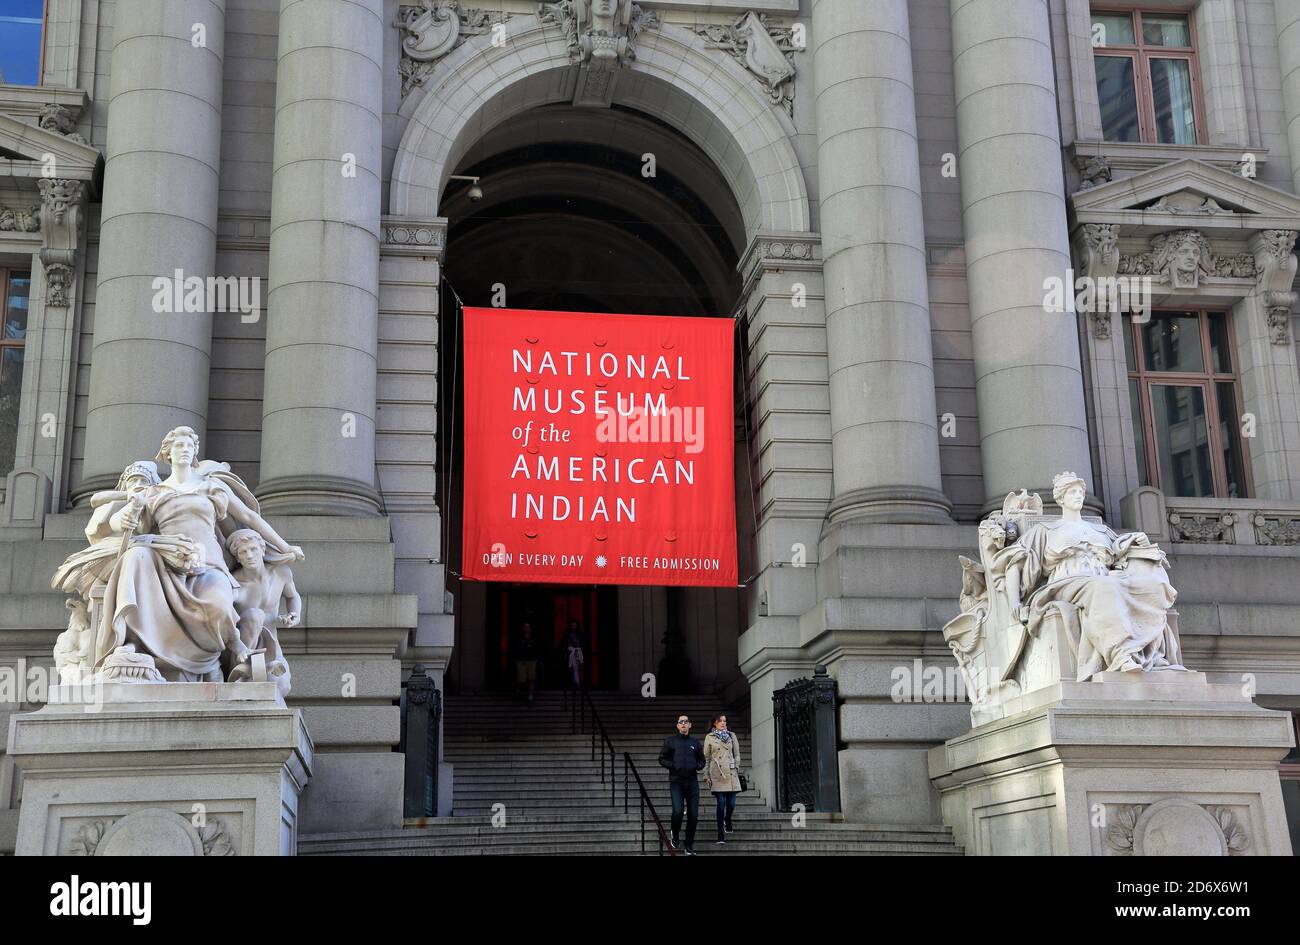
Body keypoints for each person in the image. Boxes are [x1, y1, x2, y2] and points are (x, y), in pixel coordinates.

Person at [657, 713, 705, 854]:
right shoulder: (670, 741)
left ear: (690, 725)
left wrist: (697, 766)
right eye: (681, 722)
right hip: (676, 782)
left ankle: (688, 845)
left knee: (693, 815)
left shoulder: (695, 743)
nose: (683, 723)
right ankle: (675, 833)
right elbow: (661, 758)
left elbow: (702, 761)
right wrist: (673, 766)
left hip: (692, 782)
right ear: (678, 726)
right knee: (678, 811)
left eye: (686, 721)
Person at [703, 714, 742, 844]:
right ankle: (720, 835)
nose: (723, 723)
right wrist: (706, 775)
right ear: (715, 723)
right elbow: (707, 758)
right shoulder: (709, 737)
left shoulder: (732, 735)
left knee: (731, 803)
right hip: (717, 774)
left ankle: (728, 819)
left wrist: (736, 767)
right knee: (721, 804)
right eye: (720, 721)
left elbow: (736, 754)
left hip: (730, 773)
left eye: (725, 720)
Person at [513, 621, 540, 702]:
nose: (527, 629)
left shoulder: (534, 638)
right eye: (525, 627)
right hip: (521, 660)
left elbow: (537, 649)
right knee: (521, 679)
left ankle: (530, 694)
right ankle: (518, 691)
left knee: (531, 678)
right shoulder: (519, 638)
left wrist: (536, 658)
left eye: (528, 627)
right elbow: (516, 649)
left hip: (531, 660)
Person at [562, 620, 585, 689]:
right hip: (570, 653)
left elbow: (581, 644)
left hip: (578, 652)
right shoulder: (567, 634)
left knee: (576, 668)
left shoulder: (579, 634)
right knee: (573, 668)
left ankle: (576, 682)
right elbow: (565, 644)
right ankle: (575, 683)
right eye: (572, 625)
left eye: (575, 625)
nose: (574, 627)